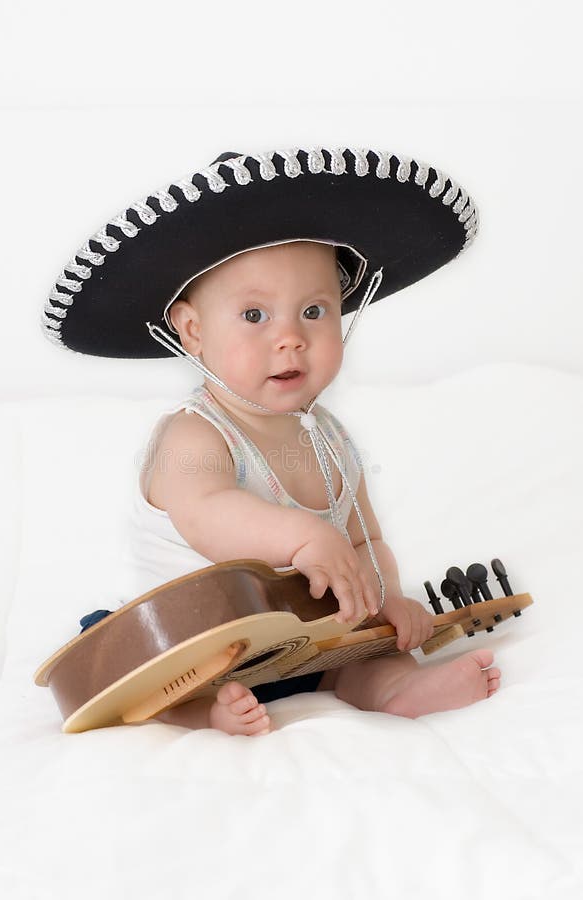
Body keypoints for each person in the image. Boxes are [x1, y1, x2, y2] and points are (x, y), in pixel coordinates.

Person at [42, 146, 500, 736]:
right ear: (193, 331)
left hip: (298, 640)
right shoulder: (195, 432)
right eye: (255, 316)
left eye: (314, 310)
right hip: (197, 644)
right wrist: (304, 536)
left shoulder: (330, 440)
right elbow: (207, 511)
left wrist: (383, 594)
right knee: (140, 663)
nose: (290, 338)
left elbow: (365, 538)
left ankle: (397, 690)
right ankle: (201, 712)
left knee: (365, 650)